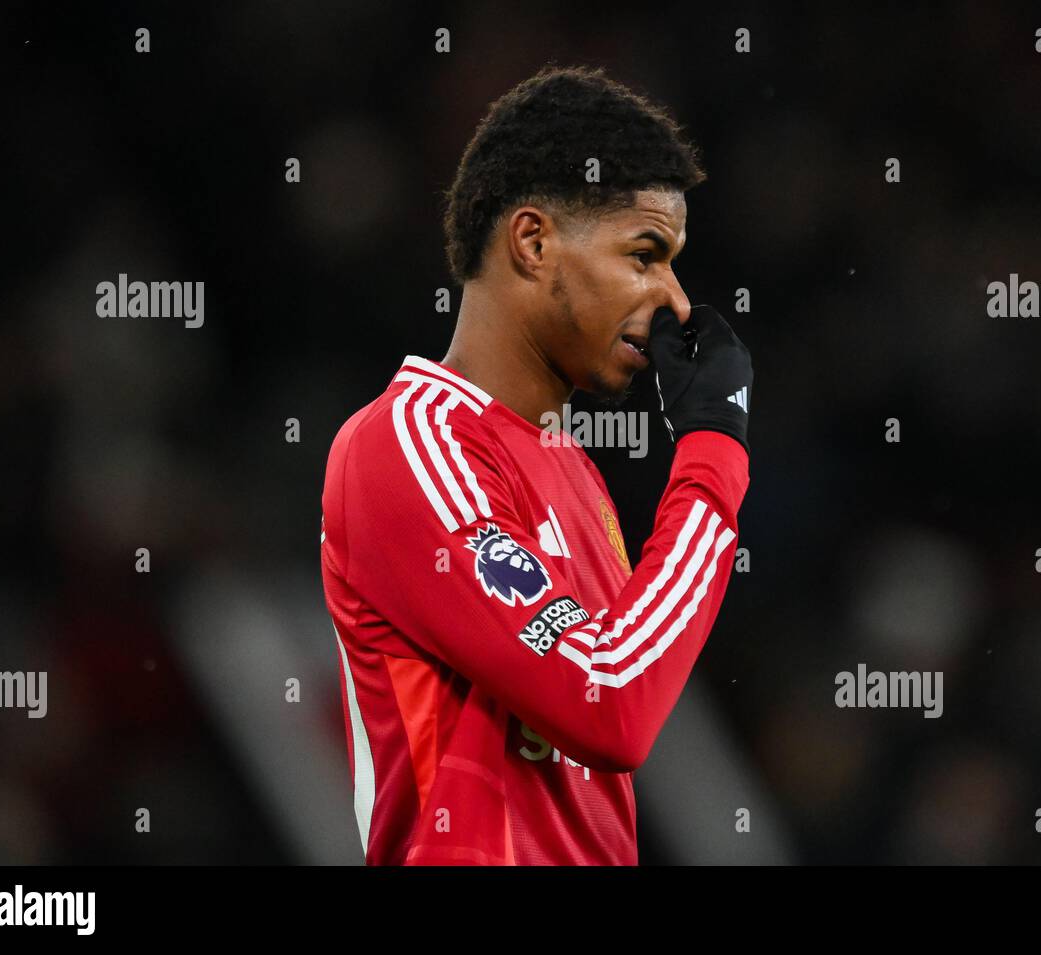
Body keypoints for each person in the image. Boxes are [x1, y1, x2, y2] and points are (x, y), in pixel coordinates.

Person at [320, 64, 753, 865]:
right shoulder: (410, 443)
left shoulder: (575, 475)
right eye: (646, 254)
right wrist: (714, 450)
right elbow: (610, 703)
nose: (677, 301)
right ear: (533, 241)